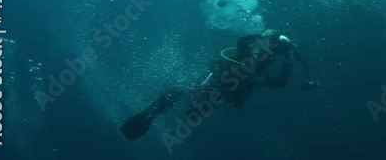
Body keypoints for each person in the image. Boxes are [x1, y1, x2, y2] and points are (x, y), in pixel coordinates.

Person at [119, 29, 316, 141]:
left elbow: (243, 44)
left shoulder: (251, 64)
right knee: (188, 101)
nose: (266, 54)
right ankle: (147, 117)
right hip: (215, 91)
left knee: (184, 97)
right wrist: (285, 60)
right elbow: (279, 82)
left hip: (212, 89)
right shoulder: (254, 68)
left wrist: (263, 37)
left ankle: (147, 117)